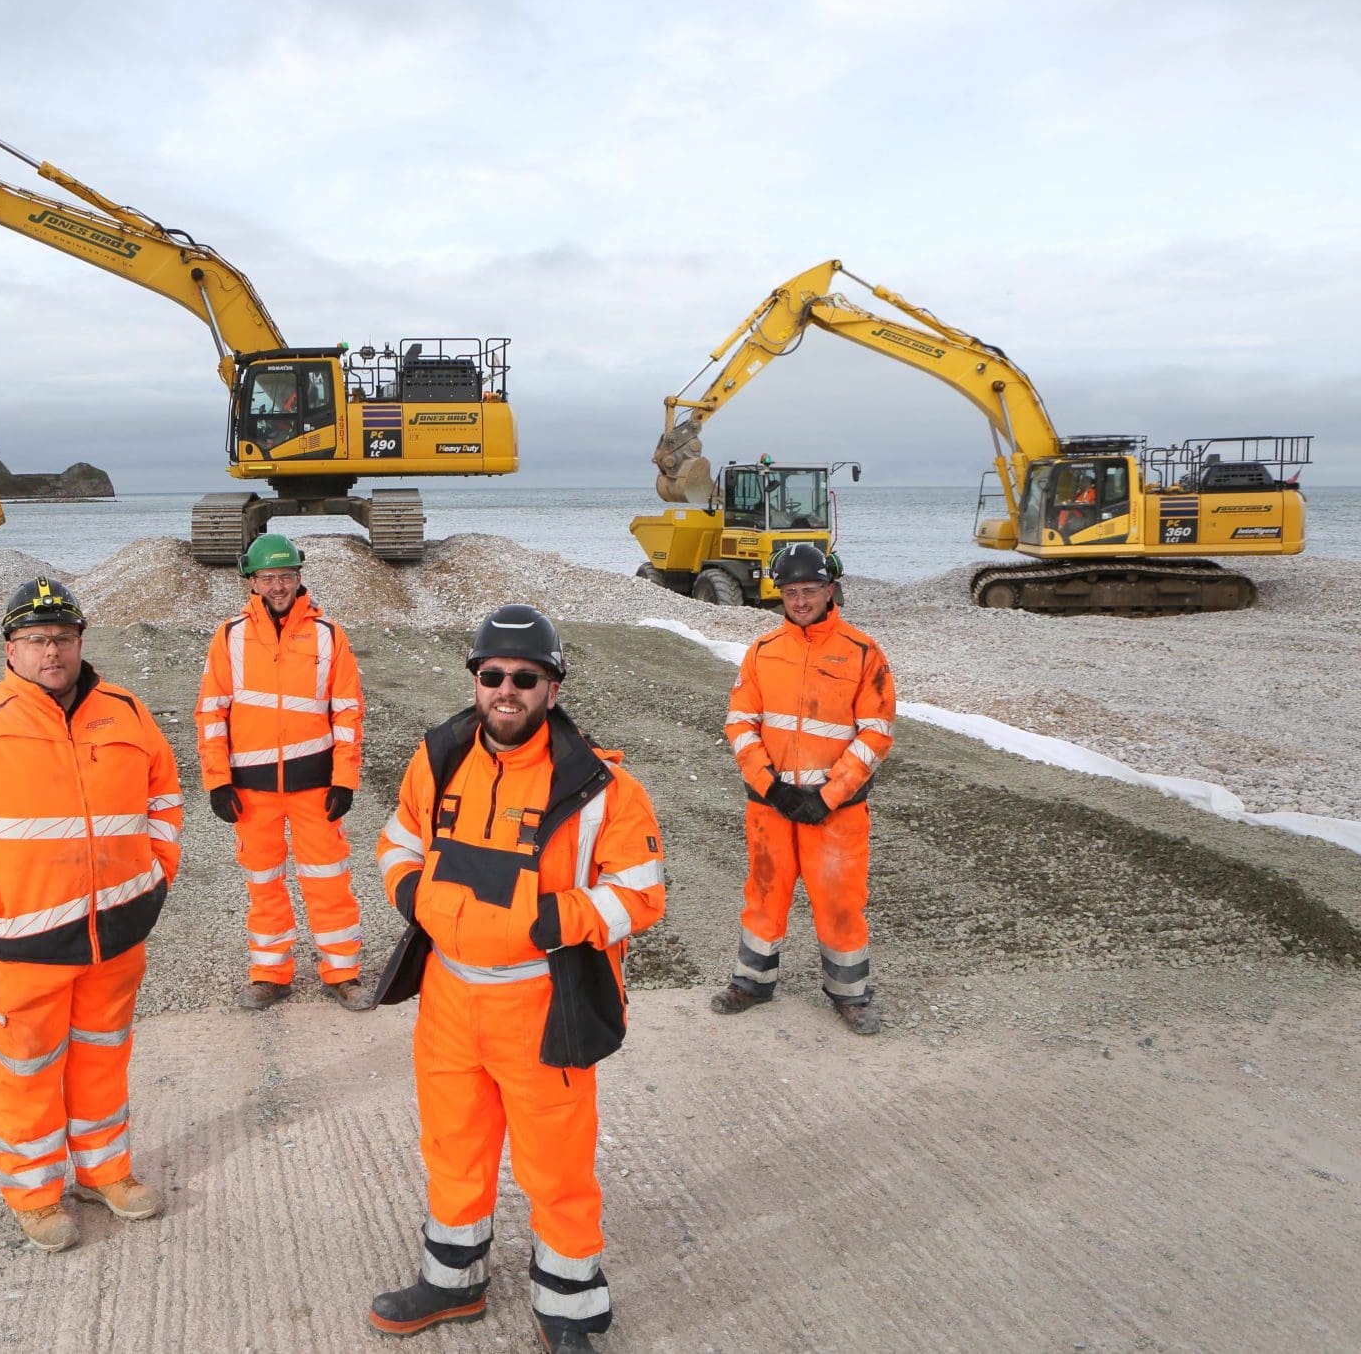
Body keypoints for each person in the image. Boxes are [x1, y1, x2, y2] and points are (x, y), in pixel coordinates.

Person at [371, 605, 665, 1352]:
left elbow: (641, 891)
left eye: (525, 677)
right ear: (474, 679)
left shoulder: (600, 787)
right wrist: (415, 897)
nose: (507, 689)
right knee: (452, 1145)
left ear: (553, 687)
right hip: (447, 999)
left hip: (542, 1004)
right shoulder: (437, 756)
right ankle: (452, 1281)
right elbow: (398, 842)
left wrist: (548, 920)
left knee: (556, 1165)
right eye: (491, 675)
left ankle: (568, 1307)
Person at [0, 577, 184, 1253]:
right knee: (28, 1069)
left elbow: (165, 796)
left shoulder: (127, 711)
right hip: (26, 941)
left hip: (117, 933)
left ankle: (105, 1172)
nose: (51, 651)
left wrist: (155, 876)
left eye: (62, 637)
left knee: (102, 1059)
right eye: (36, 639)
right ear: (11, 647)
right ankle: (33, 1195)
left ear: (80, 641)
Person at [713, 542, 895, 1034]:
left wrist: (828, 796)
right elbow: (739, 723)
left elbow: (876, 732)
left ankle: (850, 995)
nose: (799, 601)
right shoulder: (762, 651)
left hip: (835, 813)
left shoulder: (863, 652)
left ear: (829, 590)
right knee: (765, 893)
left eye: (809, 590)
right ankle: (752, 982)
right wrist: (770, 788)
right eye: (790, 592)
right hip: (771, 807)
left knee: (840, 900)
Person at [196, 533, 371, 1012]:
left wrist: (344, 778)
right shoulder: (229, 636)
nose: (278, 585)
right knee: (263, 883)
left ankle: (344, 973)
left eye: (286, 575)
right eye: (268, 576)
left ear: (300, 578)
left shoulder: (328, 635)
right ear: (251, 581)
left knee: (328, 879)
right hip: (252, 791)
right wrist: (217, 781)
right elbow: (211, 712)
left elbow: (348, 712)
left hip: (314, 786)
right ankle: (270, 974)